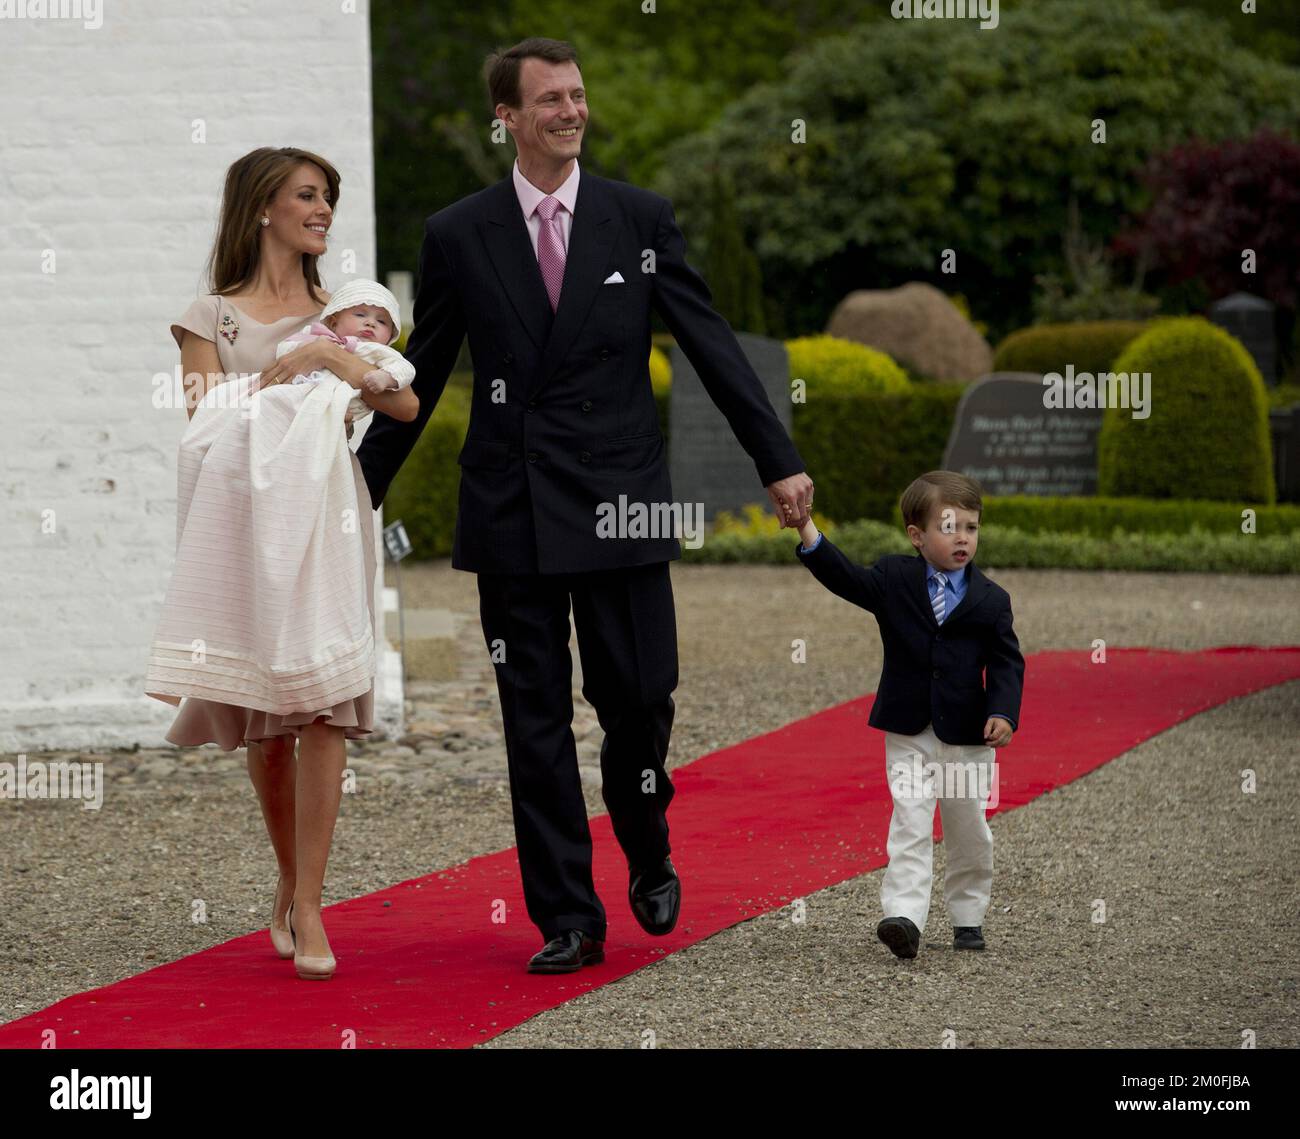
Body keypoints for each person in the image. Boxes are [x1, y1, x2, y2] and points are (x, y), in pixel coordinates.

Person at [356, 37, 815, 973]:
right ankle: (567, 913)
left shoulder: (638, 217)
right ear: (508, 118)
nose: (571, 110)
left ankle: (646, 839)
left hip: (624, 505)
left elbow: (709, 342)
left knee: (640, 700)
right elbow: (423, 369)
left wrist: (777, 459)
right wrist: (354, 488)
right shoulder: (457, 232)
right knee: (534, 720)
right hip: (513, 509)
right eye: (549, 99)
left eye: (577, 95)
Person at [148, 147, 416, 981]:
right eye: (308, 195)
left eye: (328, 197)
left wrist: (335, 357)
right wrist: (285, 371)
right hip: (245, 527)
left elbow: (402, 402)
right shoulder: (211, 317)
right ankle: (289, 879)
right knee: (270, 725)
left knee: (326, 711)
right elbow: (199, 421)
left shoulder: (346, 314)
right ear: (263, 206)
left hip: (331, 525)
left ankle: (309, 901)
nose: (324, 209)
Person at [793, 471, 1025, 958]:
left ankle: (967, 916)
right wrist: (807, 530)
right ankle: (904, 918)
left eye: (972, 527)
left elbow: (1007, 662)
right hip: (907, 730)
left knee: (968, 830)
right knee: (910, 821)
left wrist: (1003, 711)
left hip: (967, 736)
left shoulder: (992, 600)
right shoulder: (894, 579)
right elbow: (845, 577)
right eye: (949, 526)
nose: (963, 537)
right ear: (916, 536)